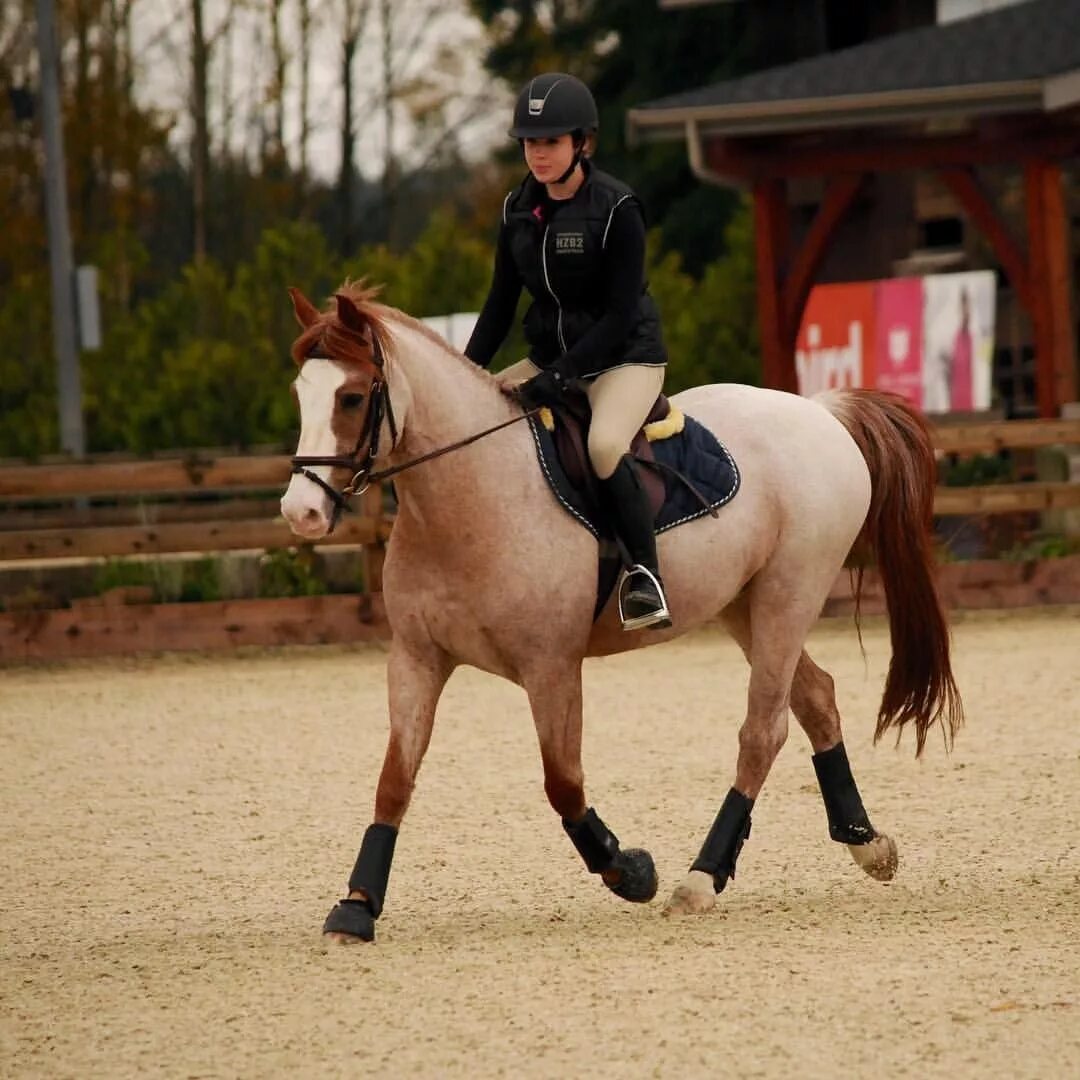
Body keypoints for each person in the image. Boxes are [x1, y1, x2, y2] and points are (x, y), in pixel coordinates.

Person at [464, 72, 671, 631]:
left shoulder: (618, 207)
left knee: (604, 446)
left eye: (551, 141)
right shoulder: (516, 210)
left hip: (625, 358)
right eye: (531, 142)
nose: (539, 153)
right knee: (474, 427)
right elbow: (499, 306)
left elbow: (622, 313)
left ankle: (645, 578)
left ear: (583, 142)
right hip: (551, 358)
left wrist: (562, 375)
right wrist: (463, 375)